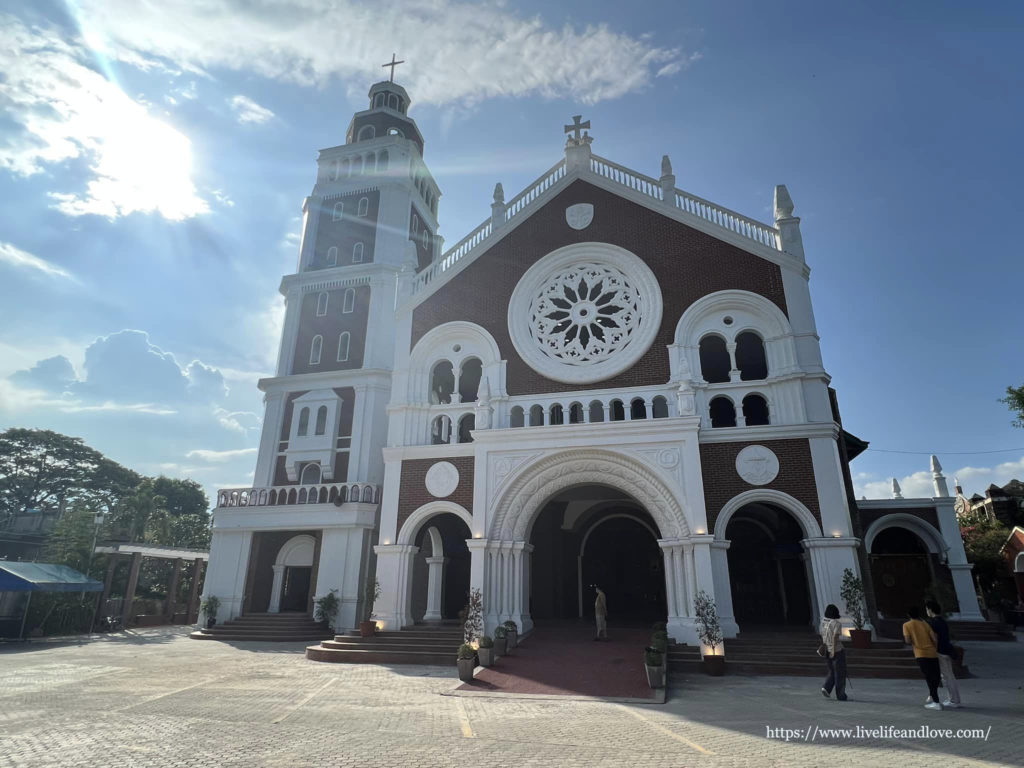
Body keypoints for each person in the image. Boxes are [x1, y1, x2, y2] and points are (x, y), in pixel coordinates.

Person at [903, 605, 942, 710]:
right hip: (932, 652)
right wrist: (935, 648)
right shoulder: (925, 624)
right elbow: (934, 638)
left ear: (908, 615)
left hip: (920, 653)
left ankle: (936, 701)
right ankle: (932, 695)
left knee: (928, 676)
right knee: (935, 676)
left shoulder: (907, 625)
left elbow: (907, 640)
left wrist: (914, 642)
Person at [926, 600, 962, 708]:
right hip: (946, 650)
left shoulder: (933, 623)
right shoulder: (942, 621)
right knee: (948, 675)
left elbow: (935, 638)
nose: (927, 611)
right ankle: (953, 699)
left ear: (930, 610)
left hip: (940, 651)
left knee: (947, 677)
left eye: (927, 609)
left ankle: (954, 700)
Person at [819, 603, 848, 701]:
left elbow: (823, 636)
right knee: (840, 672)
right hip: (837, 650)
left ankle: (826, 688)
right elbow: (835, 638)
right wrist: (832, 651)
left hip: (826, 649)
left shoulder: (823, 622)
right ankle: (841, 694)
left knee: (831, 671)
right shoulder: (836, 624)